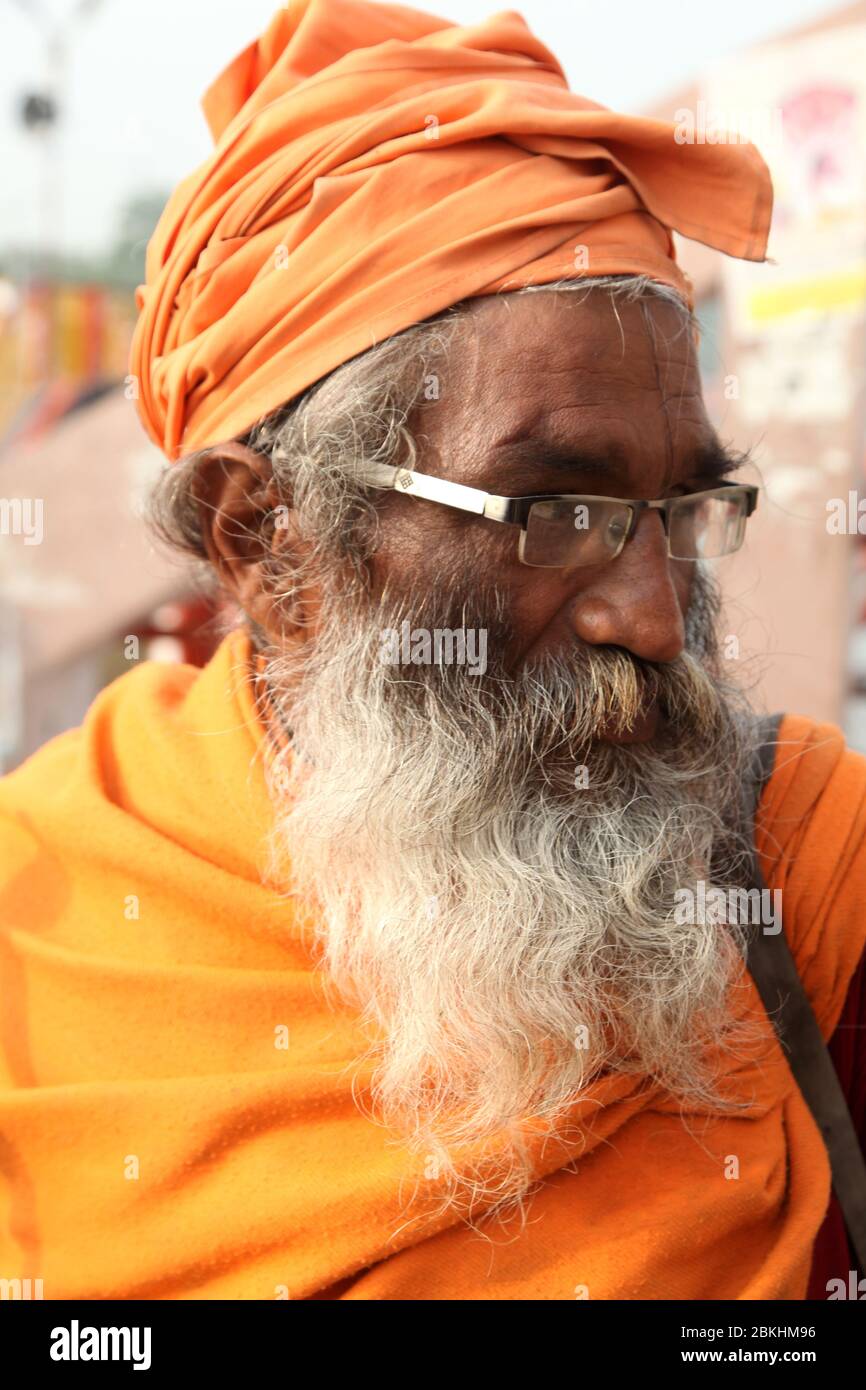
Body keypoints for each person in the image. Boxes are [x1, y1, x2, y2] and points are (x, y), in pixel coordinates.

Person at [1, 0, 864, 1301]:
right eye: (552, 515)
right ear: (271, 546)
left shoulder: (805, 865)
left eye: (680, 511)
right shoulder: (40, 908)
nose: (646, 613)